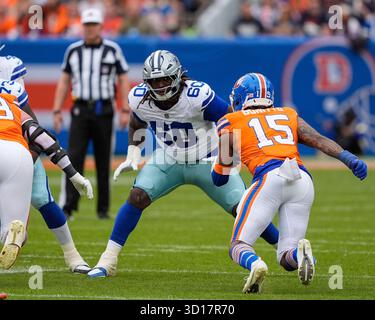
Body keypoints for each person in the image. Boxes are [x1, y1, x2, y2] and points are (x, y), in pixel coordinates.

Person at [87, 50, 279, 278]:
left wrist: (228, 158)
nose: (159, 86)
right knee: (137, 196)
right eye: (153, 81)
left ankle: (285, 250)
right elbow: (136, 121)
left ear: (177, 76)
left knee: (243, 209)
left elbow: (229, 120)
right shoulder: (139, 97)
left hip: (207, 160)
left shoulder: (197, 95)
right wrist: (133, 153)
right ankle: (107, 261)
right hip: (169, 157)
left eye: (164, 79)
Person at [211, 72, 367, 293]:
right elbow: (319, 140)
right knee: (286, 257)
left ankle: (256, 265)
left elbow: (221, 176)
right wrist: (347, 158)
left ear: (240, 98)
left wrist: (216, 169)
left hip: (269, 178)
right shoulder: (288, 114)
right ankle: (301, 255)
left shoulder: (230, 121)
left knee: (238, 245)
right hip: (302, 181)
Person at [0, 55, 91, 274]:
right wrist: (72, 173)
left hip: (24, 150)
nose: (22, 81)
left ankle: (72, 255)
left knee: (42, 199)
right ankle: (14, 235)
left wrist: (31, 157)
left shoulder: (10, 93)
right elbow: (37, 131)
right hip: (19, 151)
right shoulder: (11, 93)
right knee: (34, 207)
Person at [53, 8, 131, 220]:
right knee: (74, 158)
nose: (89, 29)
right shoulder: (73, 50)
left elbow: (123, 79)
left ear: (100, 26)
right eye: (86, 25)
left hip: (104, 110)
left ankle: (102, 209)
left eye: (93, 25)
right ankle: (69, 206)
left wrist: (125, 108)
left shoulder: (112, 49)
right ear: (82, 26)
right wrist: (57, 109)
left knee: (103, 160)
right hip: (80, 110)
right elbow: (64, 81)